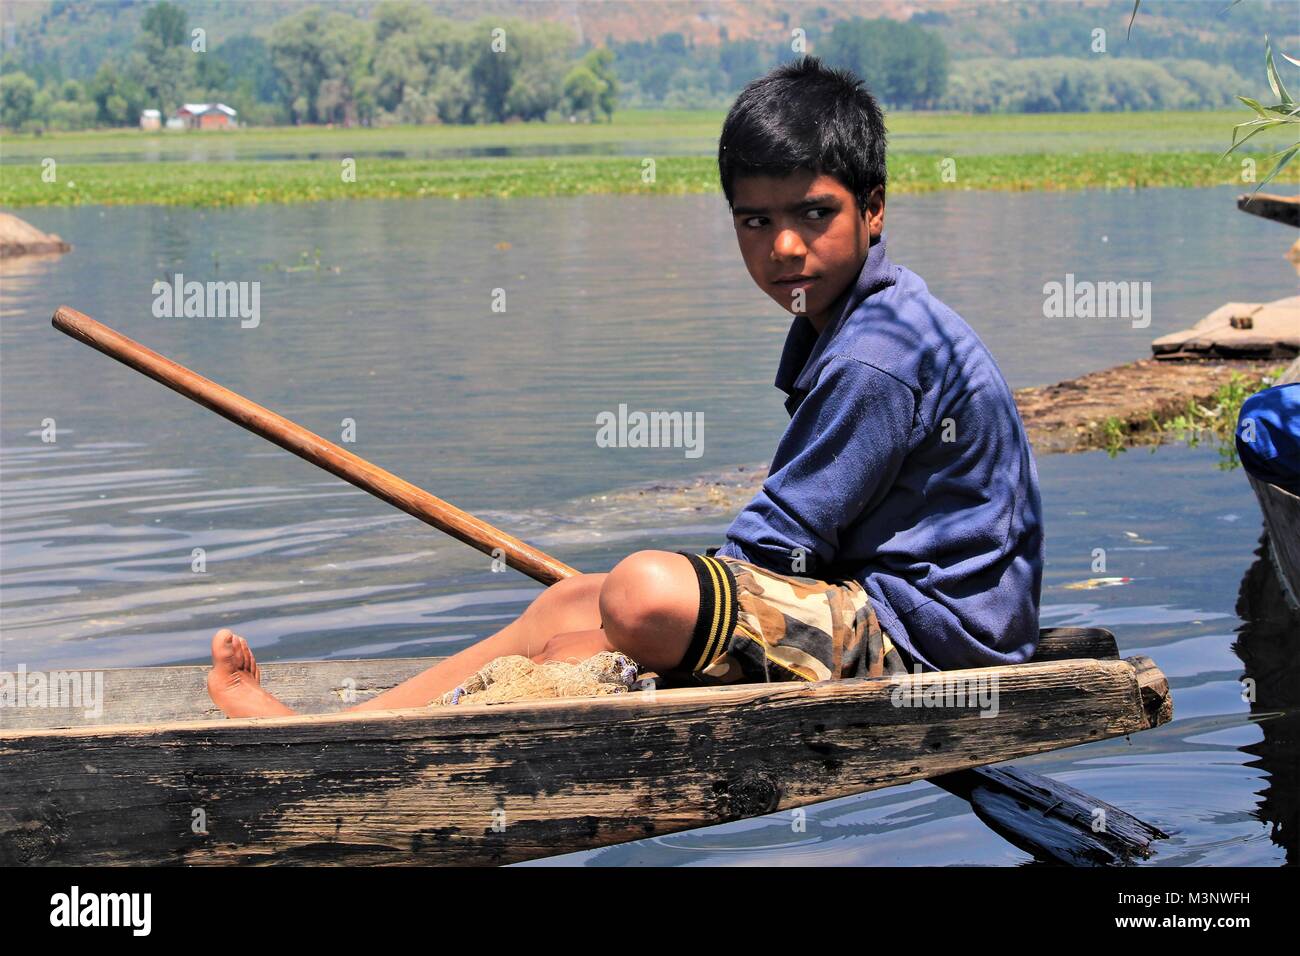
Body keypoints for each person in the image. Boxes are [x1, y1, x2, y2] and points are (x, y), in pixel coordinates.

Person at [207, 57, 1044, 719]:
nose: (784, 245)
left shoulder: (875, 354)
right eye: (755, 222)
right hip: (873, 604)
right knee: (578, 596)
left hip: (931, 644)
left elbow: (781, 544)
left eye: (813, 214)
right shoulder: (853, 321)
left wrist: (637, 628)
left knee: (636, 596)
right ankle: (342, 730)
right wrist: (613, 616)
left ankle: (408, 722)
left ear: (873, 211)